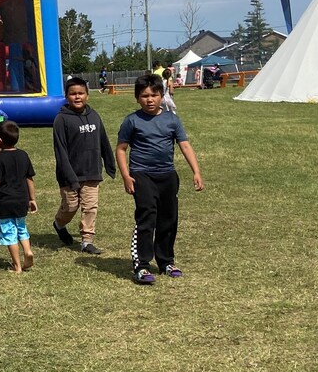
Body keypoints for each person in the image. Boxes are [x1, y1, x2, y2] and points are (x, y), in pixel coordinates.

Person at [116, 74, 204, 285]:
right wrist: (126, 176)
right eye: (144, 96)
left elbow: (184, 145)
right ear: (137, 98)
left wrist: (196, 171)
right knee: (147, 217)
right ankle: (142, 265)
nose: (150, 100)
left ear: (161, 96)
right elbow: (121, 149)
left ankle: (166, 261)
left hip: (167, 175)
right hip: (141, 174)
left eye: (154, 95)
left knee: (169, 218)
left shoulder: (172, 119)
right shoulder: (132, 120)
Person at [51, 77, 117, 255]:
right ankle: (59, 224)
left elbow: (103, 140)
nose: (77, 97)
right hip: (69, 174)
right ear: (66, 96)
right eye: (73, 94)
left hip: (92, 171)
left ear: (87, 95)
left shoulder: (94, 116)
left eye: (81, 93)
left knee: (90, 207)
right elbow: (61, 151)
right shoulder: (61, 119)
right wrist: (70, 177)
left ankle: (87, 241)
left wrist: (110, 163)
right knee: (70, 207)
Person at [0, 121, 37, 273]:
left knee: (9, 232)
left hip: (5, 201)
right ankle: (27, 251)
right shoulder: (23, 155)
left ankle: (17, 266)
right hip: (22, 199)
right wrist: (32, 199)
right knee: (21, 227)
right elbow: (29, 179)